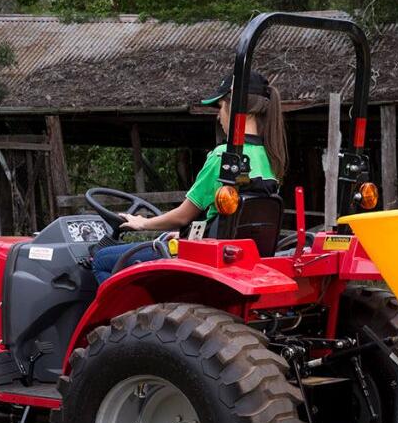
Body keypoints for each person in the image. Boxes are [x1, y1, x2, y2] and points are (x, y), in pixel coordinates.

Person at [90, 71, 287, 283]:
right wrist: (189, 236)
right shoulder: (271, 158)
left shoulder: (224, 158)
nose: (218, 116)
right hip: (236, 254)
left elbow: (183, 216)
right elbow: (231, 226)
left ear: (237, 108)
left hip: (210, 259)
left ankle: (132, 306)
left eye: (220, 107)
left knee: (101, 260)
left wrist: (143, 223)